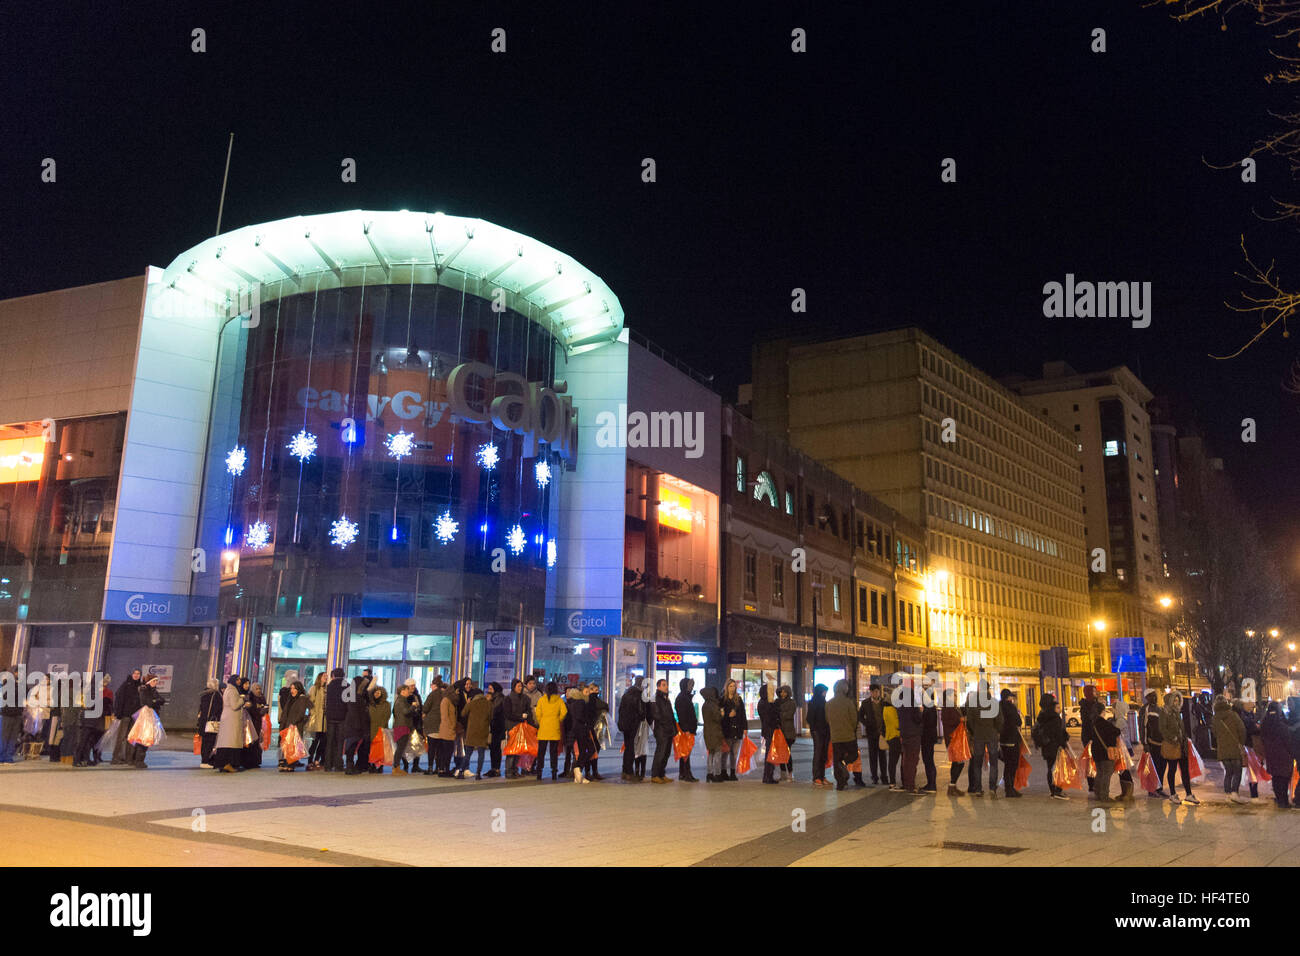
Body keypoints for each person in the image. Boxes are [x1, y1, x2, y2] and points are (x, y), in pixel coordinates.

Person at [1159, 691, 1200, 804]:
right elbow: (1163, 729)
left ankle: (1189, 794)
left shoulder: (1177, 713)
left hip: (1182, 745)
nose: (1176, 702)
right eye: (1174, 700)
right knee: (1172, 769)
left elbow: (1181, 728)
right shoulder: (1165, 713)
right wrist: (1172, 738)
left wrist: (1184, 738)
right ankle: (1173, 794)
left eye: (1177, 700)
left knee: (1185, 770)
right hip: (1172, 745)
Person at [962, 679, 1002, 795]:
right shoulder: (994, 702)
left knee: (977, 763)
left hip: (978, 735)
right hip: (992, 735)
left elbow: (970, 720)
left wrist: (974, 731)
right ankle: (992, 788)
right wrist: (996, 730)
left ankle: (978, 789)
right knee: (993, 763)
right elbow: (1000, 720)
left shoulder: (973, 702)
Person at [1032, 693, 1070, 800]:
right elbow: (1057, 734)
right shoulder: (1055, 718)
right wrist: (1064, 741)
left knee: (1050, 768)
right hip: (1055, 747)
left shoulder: (1042, 716)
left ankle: (1052, 791)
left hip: (1047, 747)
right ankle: (1057, 791)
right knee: (1057, 769)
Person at [1213, 695, 1248, 803]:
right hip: (1234, 748)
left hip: (1223, 749)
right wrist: (1241, 743)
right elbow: (1242, 730)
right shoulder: (1233, 715)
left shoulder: (1215, 718)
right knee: (1237, 771)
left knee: (1228, 772)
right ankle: (1234, 793)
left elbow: (1214, 733)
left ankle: (1228, 794)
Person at [827, 679, 860, 791]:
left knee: (837, 759)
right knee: (854, 754)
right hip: (848, 735)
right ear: (845, 689)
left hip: (835, 736)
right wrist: (851, 729)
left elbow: (827, 719)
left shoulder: (829, 703)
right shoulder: (848, 702)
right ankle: (844, 762)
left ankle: (840, 783)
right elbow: (854, 719)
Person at [1260, 701, 1294, 808]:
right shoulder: (1282, 725)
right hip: (1284, 755)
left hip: (1271, 754)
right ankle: (1283, 800)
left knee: (1276, 777)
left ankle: (1280, 799)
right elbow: (1288, 740)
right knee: (1284, 778)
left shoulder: (1265, 724)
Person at [211, 675, 248, 772]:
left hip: (228, 719)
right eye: (238, 679)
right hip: (231, 720)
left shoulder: (229, 689)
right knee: (231, 743)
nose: (239, 681)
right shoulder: (232, 690)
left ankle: (224, 764)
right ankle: (227, 763)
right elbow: (234, 705)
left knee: (227, 742)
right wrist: (242, 699)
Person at [533, 682, 567, 781]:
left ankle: (539, 772)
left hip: (543, 728)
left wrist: (542, 721)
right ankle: (554, 772)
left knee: (541, 753)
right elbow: (564, 712)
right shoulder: (559, 700)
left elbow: (538, 713)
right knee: (553, 752)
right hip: (554, 728)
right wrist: (558, 719)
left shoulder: (542, 700)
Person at [1091, 703, 1123, 805]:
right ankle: (1104, 795)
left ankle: (1097, 792)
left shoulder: (1093, 723)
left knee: (1100, 772)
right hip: (1106, 752)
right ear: (1102, 711)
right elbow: (1116, 731)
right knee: (1106, 774)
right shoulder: (1104, 723)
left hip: (1096, 751)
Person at [1138, 689, 1167, 798]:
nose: (1154, 698)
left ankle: (1159, 788)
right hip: (1152, 744)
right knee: (1153, 768)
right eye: (1151, 696)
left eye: (1155, 696)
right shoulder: (1145, 710)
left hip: (1162, 744)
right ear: (1146, 698)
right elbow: (1142, 727)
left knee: (1162, 767)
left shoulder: (1159, 709)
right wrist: (1145, 743)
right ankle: (1151, 789)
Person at [343, 673, 373, 775]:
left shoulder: (356, 695)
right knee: (351, 747)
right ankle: (349, 767)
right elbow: (355, 714)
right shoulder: (354, 697)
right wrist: (360, 727)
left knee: (352, 746)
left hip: (354, 726)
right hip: (354, 727)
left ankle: (350, 766)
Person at [896, 681, 924, 794]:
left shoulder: (899, 702)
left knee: (906, 760)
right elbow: (917, 719)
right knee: (912, 760)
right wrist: (920, 712)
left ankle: (907, 784)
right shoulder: (912, 703)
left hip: (904, 733)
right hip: (913, 734)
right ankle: (910, 786)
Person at [111, 669, 142, 765]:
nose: (136, 675)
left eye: (138, 674)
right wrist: (118, 712)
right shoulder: (126, 685)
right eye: (135, 673)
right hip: (126, 715)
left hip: (135, 716)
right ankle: (116, 757)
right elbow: (119, 697)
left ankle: (129, 758)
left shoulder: (140, 686)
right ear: (132, 674)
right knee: (121, 737)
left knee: (131, 738)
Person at [649, 678, 678, 783]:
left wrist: (674, 728)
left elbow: (670, 714)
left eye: (666, 685)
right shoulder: (655, 698)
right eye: (664, 685)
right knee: (660, 753)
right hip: (661, 730)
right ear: (658, 687)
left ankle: (662, 774)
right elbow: (657, 715)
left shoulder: (666, 699)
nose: (666, 687)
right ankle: (655, 774)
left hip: (669, 729)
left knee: (666, 753)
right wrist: (666, 724)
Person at [461, 685, 492, 779]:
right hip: (483, 731)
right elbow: (491, 717)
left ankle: (461, 772)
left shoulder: (472, 704)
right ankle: (478, 774)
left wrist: (467, 703)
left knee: (468, 753)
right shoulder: (488, 704)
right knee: (481, 753)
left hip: (471, 731)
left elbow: (463, 714)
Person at [618, 676, 646, 780]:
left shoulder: (626, 693)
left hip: (625, 723)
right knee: (631, 748)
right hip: (634, 723)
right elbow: (641, 711)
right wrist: (642, 717)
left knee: (627, 746)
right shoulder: (638, 695)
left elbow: (620, 709)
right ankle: (629, 772)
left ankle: (625, 771)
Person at [504, 678, 533, 779]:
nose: (520, 688)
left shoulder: (525, 698)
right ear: (513, 687)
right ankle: (508, 771)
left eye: (521, 686)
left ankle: (515, 770)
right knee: (512, 750)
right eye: (518, 686)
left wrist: (526, 715)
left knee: (519, 750)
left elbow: (528, 711)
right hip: (512, 727)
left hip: (521, 727)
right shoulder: (508, 698)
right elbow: (508, 714)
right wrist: (520, 717)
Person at [279, 680, 310, 772]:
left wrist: (293, 722)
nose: (292, 690)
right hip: (287, 724)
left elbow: (301, 713)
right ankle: (287, 763)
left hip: (295, 725)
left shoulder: (302, 698)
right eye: (291, 688)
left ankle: (291, 765)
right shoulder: (291, 698)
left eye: (294, 688)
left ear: (299, 689)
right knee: (288, 745)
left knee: (293, 745)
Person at [997, 689, 1023, 798]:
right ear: (1008, 697)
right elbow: (1019, 722)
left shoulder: (997, 707)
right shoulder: (1011, 707)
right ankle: (1010, 789)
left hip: (1002, 739)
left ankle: (1009, 788)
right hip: (1012, 739)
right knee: (1012, 764)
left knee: (1007, 764)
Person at [720, 679, 747, 782]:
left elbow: (743, 715)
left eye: (734, 686)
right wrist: (728, 715)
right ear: (726, 687)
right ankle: (723, 772)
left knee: (734, 753)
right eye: (730, 686)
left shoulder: (739, 700)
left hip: (737, 730)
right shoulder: (722, 700)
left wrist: (745, 728)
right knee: (725, 753)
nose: (732, 688)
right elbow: (720, 716)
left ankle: (732, 773)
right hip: (727, 731)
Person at [941, 689, 967, 796]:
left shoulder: (953, 707)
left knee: (957, 762)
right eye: (954, 695)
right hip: (953, 739)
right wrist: (961, 719)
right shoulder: (947, 708)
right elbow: (948, 721)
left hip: (957, 738)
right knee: (958, 762)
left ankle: (953, 786)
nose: (956, 697)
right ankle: (952, 786)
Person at [674, 678, 700, 783]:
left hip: (687, 728)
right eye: (690, 685)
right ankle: (686, 773)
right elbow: (682, 715)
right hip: (686, 729)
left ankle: (683, 773)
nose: (692, 687)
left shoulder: (685, 697)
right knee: (686, 752)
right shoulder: (682, 698)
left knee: (685, 752)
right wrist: (686, 729)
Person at [859, 684, 885, 785]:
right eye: (873, 691)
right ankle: (874, 777)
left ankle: (884, 777)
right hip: (871, 733)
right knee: (873, 756)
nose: (875, 693)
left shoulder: (884, 702)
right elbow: (860, 715)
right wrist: (866, 723)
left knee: (883, 756)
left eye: (877, 691)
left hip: (882, 733)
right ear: (870, 692)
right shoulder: (865, 703)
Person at [806, 683, 831, 788]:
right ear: (820, 692)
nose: (825, 693)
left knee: (823, 753)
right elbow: (809, 718)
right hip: (817, 731)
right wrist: (815, 727)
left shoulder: (824, 702)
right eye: (824, 691)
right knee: (818, 753)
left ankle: (822, 776)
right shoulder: (813, 703)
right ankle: (816, 777)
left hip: (825, 731)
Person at [1237, 700, 1262, 803]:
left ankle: (1252, 794)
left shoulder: (1246, 716)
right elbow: (1251, 729)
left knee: (1252, 771)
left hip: (1249, 746)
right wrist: (1257, 727)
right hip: (1249, 746)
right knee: (1252, 771)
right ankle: (1254, 795)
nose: (1253, 707)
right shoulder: (1245, 717)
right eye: (1251, 706)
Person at [391, 683, 419, 776]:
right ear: (402, 691)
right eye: (407, 690)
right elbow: (406, 712)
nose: (409, 691)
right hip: (402, 727)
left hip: (402, 726)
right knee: (400, 748)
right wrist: (413, 706)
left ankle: (397, 767)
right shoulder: (401, 701)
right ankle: (396, 768)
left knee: (401, 748)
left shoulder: (402, 700)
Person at [323, 668, 348, 772]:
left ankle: (328, 764)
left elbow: (325, 702)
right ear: (343, 675)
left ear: (333, 675)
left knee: (329, 741)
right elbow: (350, 703)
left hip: (330, 717)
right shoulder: (347, 686)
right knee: (340, 742)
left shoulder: (329, 686)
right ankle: (338, 765)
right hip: (342, 718)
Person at [432, 682, 457, 777]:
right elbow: (444, 716)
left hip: (449, 730)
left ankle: (444, 769)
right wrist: (450, 727)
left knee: (447, 751)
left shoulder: (450, 701)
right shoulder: (446, 700)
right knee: (446, 751)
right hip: (447, 730)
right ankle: (443, 770)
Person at [1079, 685, 1100, 794]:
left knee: (1095, 760)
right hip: (1089, 737)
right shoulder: (1086, 706)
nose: (1096, 693)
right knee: (1090, 760)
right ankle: (1092, 783)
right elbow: (1089, 722)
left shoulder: (1094, 704)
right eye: (1094, 691)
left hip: (1095, 736)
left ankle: (1095, 782)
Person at [701, 686, 725, 782]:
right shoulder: (713, 705)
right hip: (715, 731)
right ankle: (717, 774)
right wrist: (722, 713)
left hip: (707, 731)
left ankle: (709, 774)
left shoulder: (705, 704)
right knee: (718, 753)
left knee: (710, 753)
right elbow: (718, 718)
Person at [196, 678, 222, 767]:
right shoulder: (216, 695)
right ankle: (207, 761)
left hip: (203, 722)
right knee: (211, 742)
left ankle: (203, 760)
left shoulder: (204, 694)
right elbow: (218, 709)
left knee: (205, 742)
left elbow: (201, 709)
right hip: (212, 722)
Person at [422, 677, 446, 775]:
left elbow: (426, 707)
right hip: (442, 725)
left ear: (434, 685)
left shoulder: (432, 695)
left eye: (431, 685)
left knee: (431, 748)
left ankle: (430, 767)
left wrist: (424, 713)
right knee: (440, 748)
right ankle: (439, 767)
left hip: (432, 725)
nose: (431, 686)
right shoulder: (445, 694)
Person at [586, 682, 609, 780]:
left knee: (592, 751)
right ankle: (592, 772)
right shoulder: (596, 702)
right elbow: (605, 707)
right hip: (594, 729)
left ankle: (591, 772)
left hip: (594, 729)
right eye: (593, 690)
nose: (595, 692)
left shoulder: (588, 701)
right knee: (593, 751)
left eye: (596, 690)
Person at [758, 683, 779, 785]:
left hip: (768, 731)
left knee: (770, 753)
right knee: (770, 754)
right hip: (769, 731)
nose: (773, 692)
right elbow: (769, 718)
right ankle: (768, 776)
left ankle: (768, 775)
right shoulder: (766, 703)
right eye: (771, 690)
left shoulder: (764, 702)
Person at [306, 673, 328, 770]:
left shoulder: (327, 689)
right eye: (324, 676)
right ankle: (310, 760)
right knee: (315, 742)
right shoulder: (314, 688)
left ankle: (317, 759)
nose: (326, 678)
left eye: (327, 677)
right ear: (320, 678)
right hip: (316, 720)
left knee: (323, 742)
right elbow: (310, 703)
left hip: (324, 721)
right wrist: (313, 712)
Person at [367, 684, 391, 774]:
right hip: (371, 728)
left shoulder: (386, 704)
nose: (376, 694)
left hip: (382, 729)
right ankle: (372, 765)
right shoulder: (370, 704)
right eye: (375, 693)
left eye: (378, 693)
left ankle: (380, 765)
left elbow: (387, 716)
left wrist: (382, 727)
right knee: (372, 749)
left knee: (381, 749)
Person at [243, 682, 267, 769]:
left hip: (259, 723)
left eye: (259, 689)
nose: (258, 691)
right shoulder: (250, 697)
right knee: (251, 741)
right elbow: (250, 709)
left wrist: (264, 710)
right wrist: (258, 712)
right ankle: (248, 762)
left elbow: (264, 706)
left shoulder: (262, 698)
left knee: (257, 742)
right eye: (256, 689)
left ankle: (256, 761)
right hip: (251, 722)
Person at [0, 669, 22, 764]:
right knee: (5, 736)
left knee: (12, 736)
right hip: (7, 714)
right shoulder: (5, 687)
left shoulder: (18, 686)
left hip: (16, 713)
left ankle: (8, 757)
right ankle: (2, 756)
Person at [776, 685, 797, 781]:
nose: (782, 694)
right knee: (780, 753)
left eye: (784, 692)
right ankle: (783, 773)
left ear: (788, 692)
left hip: (788, 732)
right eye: (781, 692)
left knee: (787, 753)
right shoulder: (777, 702)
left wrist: (779, 713)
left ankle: (790, 773)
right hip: (779, 731)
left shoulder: (792, 702)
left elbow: (789, 715)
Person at [487, 682, 507, 778]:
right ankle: (493, 768)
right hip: (493, 727)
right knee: (492, 748)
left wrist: (489, 702)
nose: (489, 690)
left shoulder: (499, 698)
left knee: (496, 749)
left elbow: (493, 711)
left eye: (491, 689)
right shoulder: (494, 698)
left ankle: (497, 769)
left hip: (498, 727)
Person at [882, 692, 901, 789]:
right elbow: (896, 725)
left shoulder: (886, 709)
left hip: (890, 736)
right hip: (895, 737)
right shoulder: (891, 710)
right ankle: (892, 782)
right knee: (893, 761)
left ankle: (892, 782)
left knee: (892, 761)